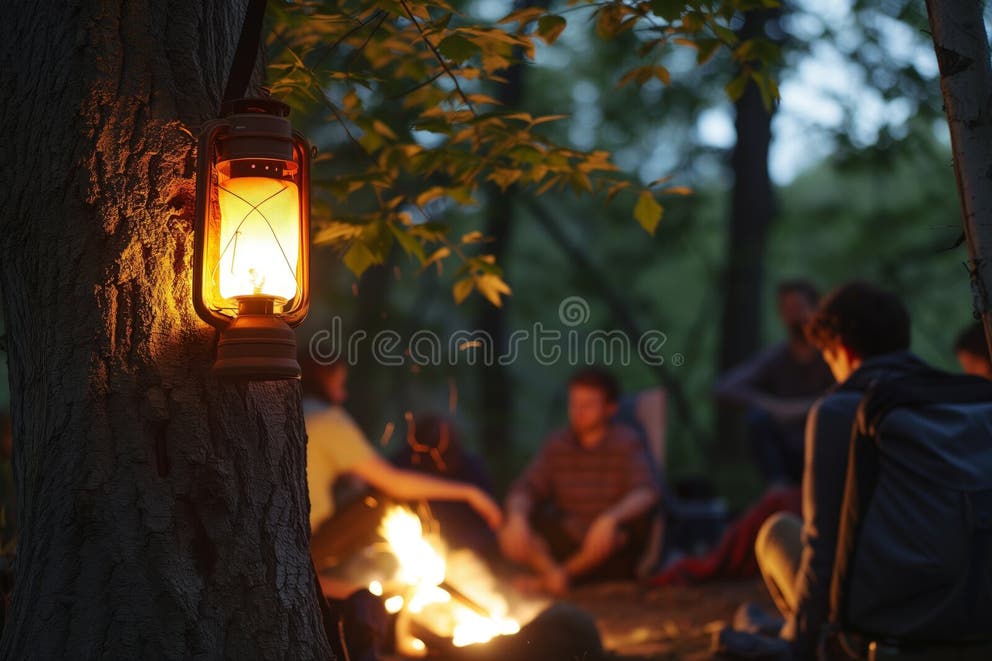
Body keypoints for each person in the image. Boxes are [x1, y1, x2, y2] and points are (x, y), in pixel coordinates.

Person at [753, 282, 921, 659]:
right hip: (967, 612)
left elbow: (823, 548)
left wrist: (797, 647)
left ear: (842, 351)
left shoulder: (843, 410)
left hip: (880, 626)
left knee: (778, 532)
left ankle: (822, 644)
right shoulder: (967, 400)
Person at [303, 357, 502, 592]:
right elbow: (395, 483)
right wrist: (469, 493)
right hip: (306, 541)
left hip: (288, 540)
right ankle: (350, 588)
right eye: (340, 384)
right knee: (384, 502)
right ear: (324, 379)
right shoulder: (326, 420)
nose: (343, 395)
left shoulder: (292, 412)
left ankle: (341, 585)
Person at [499, 368, 659, 595]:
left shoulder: (626, 442)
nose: (579, 411)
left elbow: (647, 491)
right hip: (569, 539)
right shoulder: (558, 444)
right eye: (574, 404)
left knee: (622, 531)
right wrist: (517, 517)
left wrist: (610, 518)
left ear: (610, 408)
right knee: (514, 526)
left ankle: (552, 580)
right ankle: (556, 576)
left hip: (610, 547)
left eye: (588, 405)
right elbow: (526, 487)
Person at [716, 280, 835, 486]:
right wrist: (773, 406)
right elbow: (726, 386)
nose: (794, 317)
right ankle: (778, 488)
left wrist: (805, 407)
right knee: (757, 418)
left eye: (798, 308)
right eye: (786, 309)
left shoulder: (832, 356)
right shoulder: (777, 358)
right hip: (787, 450)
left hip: (825, 447)